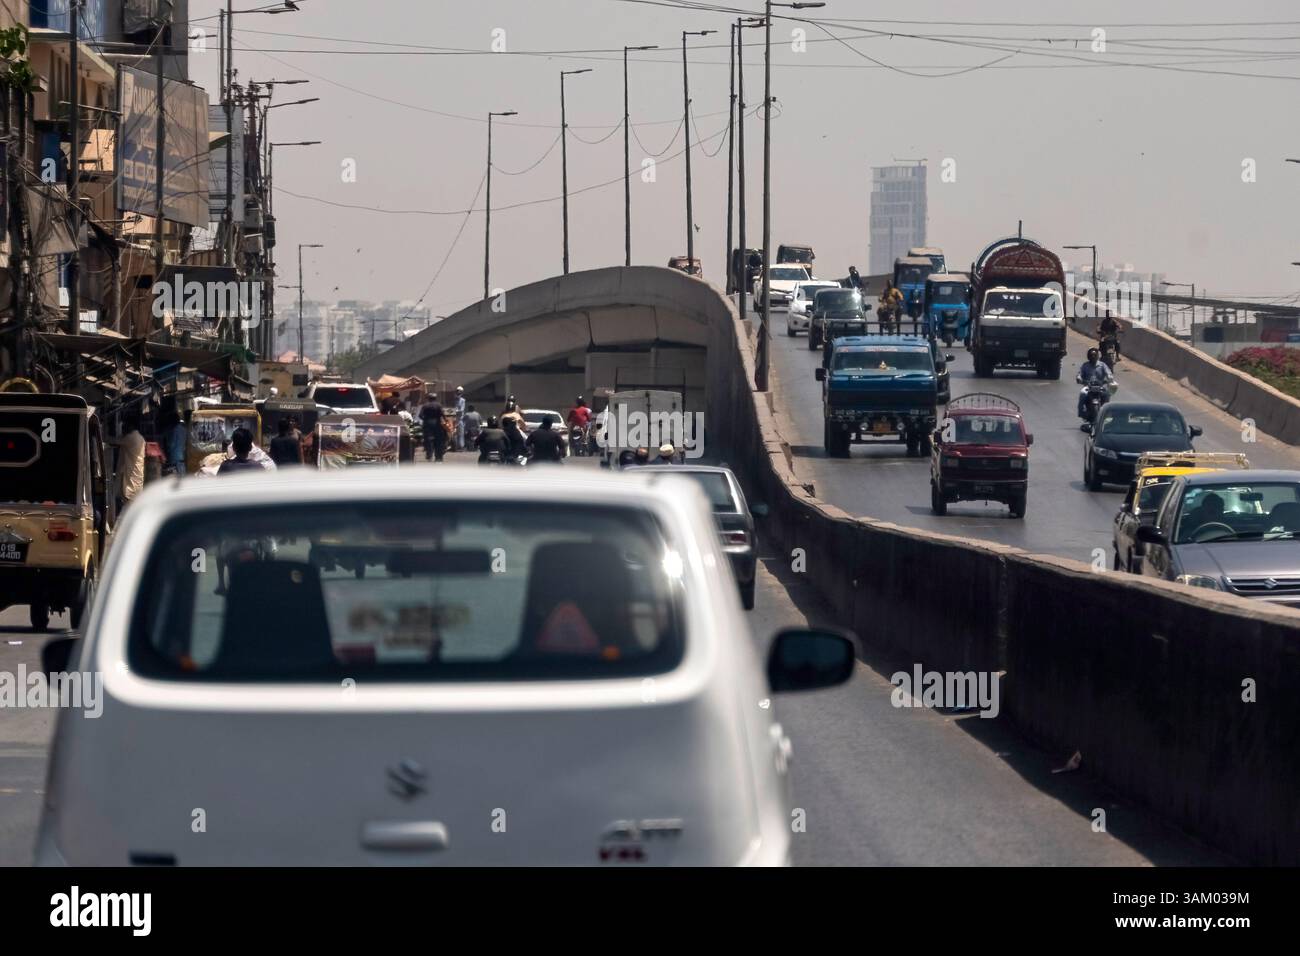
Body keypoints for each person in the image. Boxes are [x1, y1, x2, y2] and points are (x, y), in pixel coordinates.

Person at [113, 412, 147, 510]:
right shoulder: (140, 437)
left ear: (130, 425)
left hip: (132, 476)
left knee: (130, 503)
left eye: (125, 424)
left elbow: (113, 440)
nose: (124, 427)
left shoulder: (131, 437)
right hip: (137, 475)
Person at [1076, 347, 1114, 419]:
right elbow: (1080, 374)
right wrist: (1079, 378)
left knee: (1107, 394)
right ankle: (1081, 412)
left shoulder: (1102, 365)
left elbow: (1109, 373)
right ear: (1088, 356)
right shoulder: (1085, 365)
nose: (1093, 357)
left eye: (1094, 355)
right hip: (1088, 387)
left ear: (1097, 356)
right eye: (1091, 355)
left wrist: (1109, 378)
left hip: (1100, 386)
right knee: (1082, 394)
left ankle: (1106, 413)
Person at [418, 395, 447, 462]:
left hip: (427, 424)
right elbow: (442, 414)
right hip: (437, 424)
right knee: (438, 440)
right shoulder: (438, 405)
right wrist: (445, 421)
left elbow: (420, 415)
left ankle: (429, 455)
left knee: (428, 440)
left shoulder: (425, 405)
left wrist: (425, 419)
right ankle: (438, 457)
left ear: (429, 398)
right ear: (435, 398)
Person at [161, 411, 186, 476]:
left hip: (174, 461)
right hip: (182, 460)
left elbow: (170, 445)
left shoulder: (171, 430)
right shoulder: (183, 429)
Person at [453, 386, 467, 451]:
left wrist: (455, 411)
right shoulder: (453, 399)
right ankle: (454, 446)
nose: (458, 393)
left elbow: (461, 410)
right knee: (453, 433)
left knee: (461, 433)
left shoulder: (463, 400)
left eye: (460, 392)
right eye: (457, 391)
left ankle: (461, 446)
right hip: (453, 419)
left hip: (459, 419)